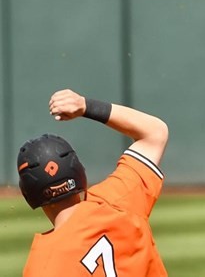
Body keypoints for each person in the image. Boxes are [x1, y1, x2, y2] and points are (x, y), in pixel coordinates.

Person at [17, 88, 169, 276]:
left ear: (28, 193)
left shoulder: (42, 266)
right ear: (79, 171)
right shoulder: (117, 200)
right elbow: (155, 133)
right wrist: (85, 106)